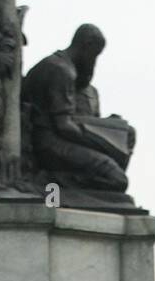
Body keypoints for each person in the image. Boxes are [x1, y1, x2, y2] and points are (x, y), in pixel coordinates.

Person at [21, 26, 135, 193]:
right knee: (117, 179)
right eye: (95, 55)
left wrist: (108, 127)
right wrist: (107, 143)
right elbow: (64, 127)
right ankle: (49, 182)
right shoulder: (61, 70)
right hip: (48, 145)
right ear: (87, 45)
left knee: (126, 135)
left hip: (55, 140)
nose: (94, 61)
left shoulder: (58, 65)